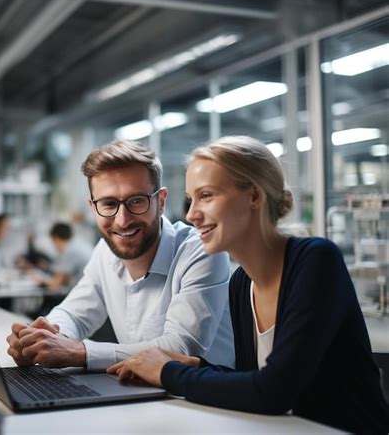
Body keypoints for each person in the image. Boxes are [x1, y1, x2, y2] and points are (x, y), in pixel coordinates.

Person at [108, 136, 389, 433]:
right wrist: (194, 367)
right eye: (191, 200)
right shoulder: (242, 283)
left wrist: (168, 372)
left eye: (206, 196)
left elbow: (273, 391)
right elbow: (250, 383)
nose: (191, 215)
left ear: (254, 196)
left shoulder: (316, 261)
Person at [6, 140, 235, 372]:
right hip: (139, 394)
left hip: (204, 402)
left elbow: (180, 348)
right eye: (108, 203)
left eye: (137, 201)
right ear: (93, 207)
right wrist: (42, 338)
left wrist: (79, 353)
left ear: (161, 201)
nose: (122, 220)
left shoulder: (202, 250)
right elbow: (74, 314)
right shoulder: (106, 251)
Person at [32, 222, 93, 291]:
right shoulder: (78, 244)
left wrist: (40, 281)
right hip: (88, 289)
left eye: (52, 242)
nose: (53, 246)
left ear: (56, 238)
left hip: (85, 292)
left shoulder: (71, 250)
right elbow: (64, 277)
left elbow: (56, 284)